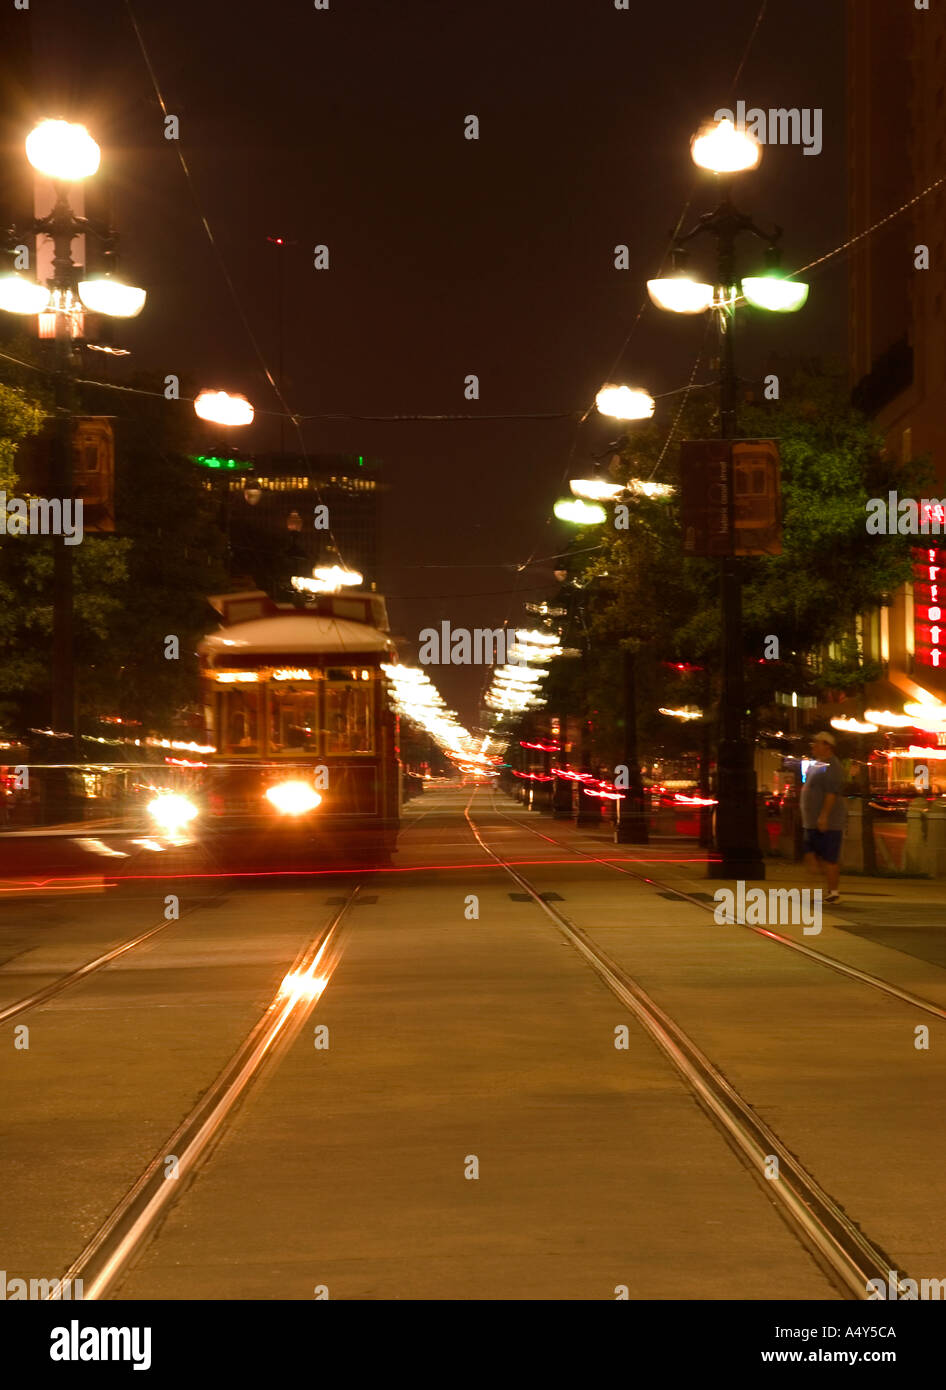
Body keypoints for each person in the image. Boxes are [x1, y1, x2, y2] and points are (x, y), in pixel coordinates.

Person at [801, 730, 846, 904]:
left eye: (817, 743)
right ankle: (817, 887)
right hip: (812, 821)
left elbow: (831, 793)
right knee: (810, 853)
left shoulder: (832, 766)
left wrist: (824, 816)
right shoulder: (818, 764)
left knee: (829, 858)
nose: (814, 745)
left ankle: (833, 891)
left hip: (828, 822)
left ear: (827, 746)